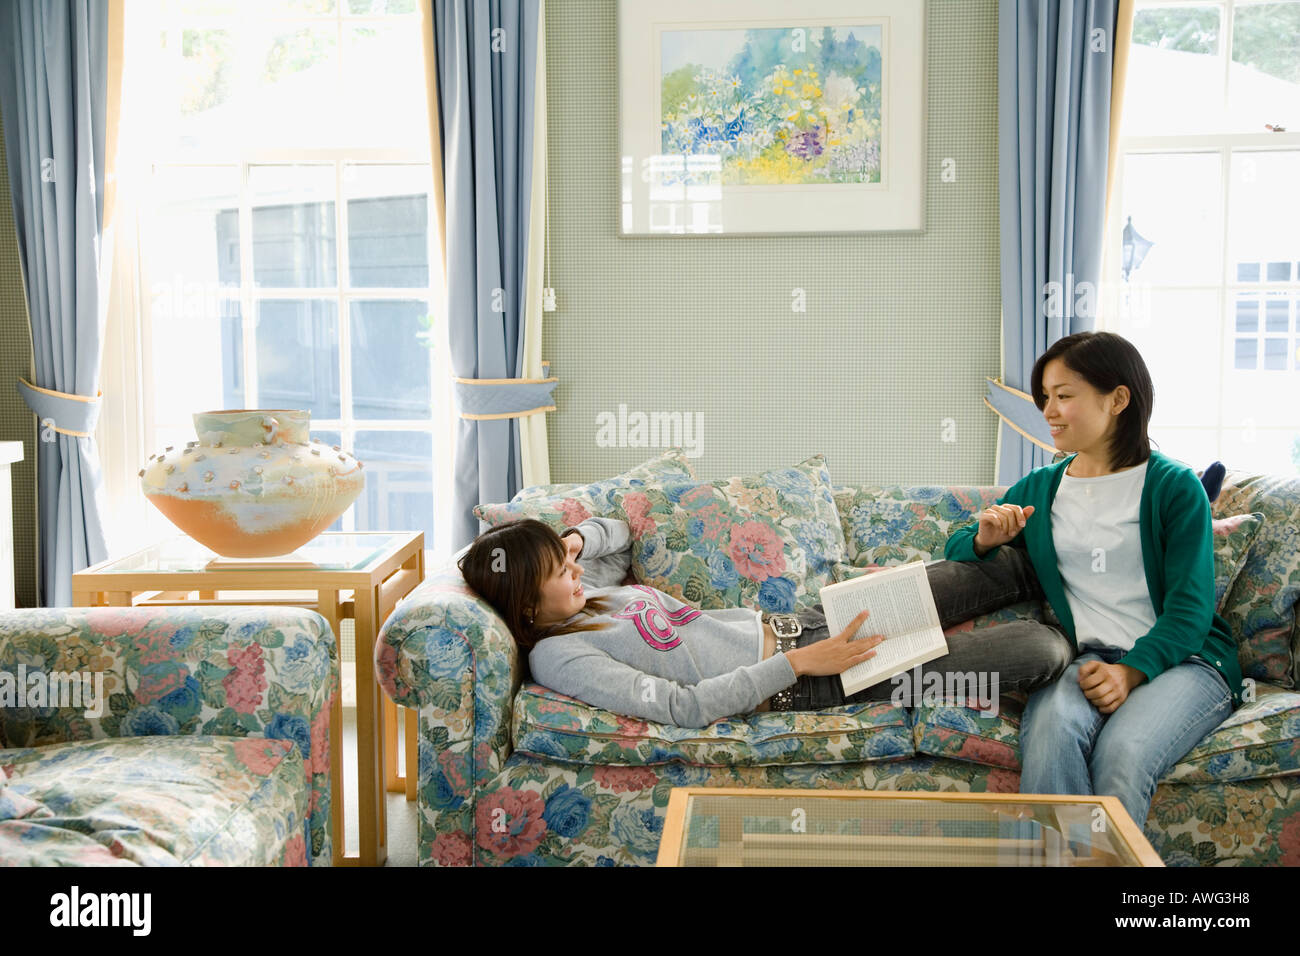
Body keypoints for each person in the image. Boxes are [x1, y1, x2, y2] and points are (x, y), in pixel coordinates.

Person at [944, 330, 1241, 829]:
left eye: (1064, 396)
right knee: (1050, 734)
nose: (1049, 411)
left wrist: (1132, 672)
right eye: (1046, 398)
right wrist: (984, 539)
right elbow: (955, 553)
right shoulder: (1042, 487)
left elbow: (1190, 610)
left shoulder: (1174, 487)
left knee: (1123, 753)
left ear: (1118, 399)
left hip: (1184, 662)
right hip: (1088, 660)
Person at [456, 504, 1074, 730]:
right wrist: (801, 665)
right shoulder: (558, 653)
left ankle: (1114, 599)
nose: (572, 573)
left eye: (565, 564)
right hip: (813, 678)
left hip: (805, 622)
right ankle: (1095, 648)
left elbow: (615, 530)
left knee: (995, 571)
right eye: (555, 575)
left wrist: (571, 545)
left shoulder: (584, 589)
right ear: (526, 607)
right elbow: (681, 707)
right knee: (1040, 653)